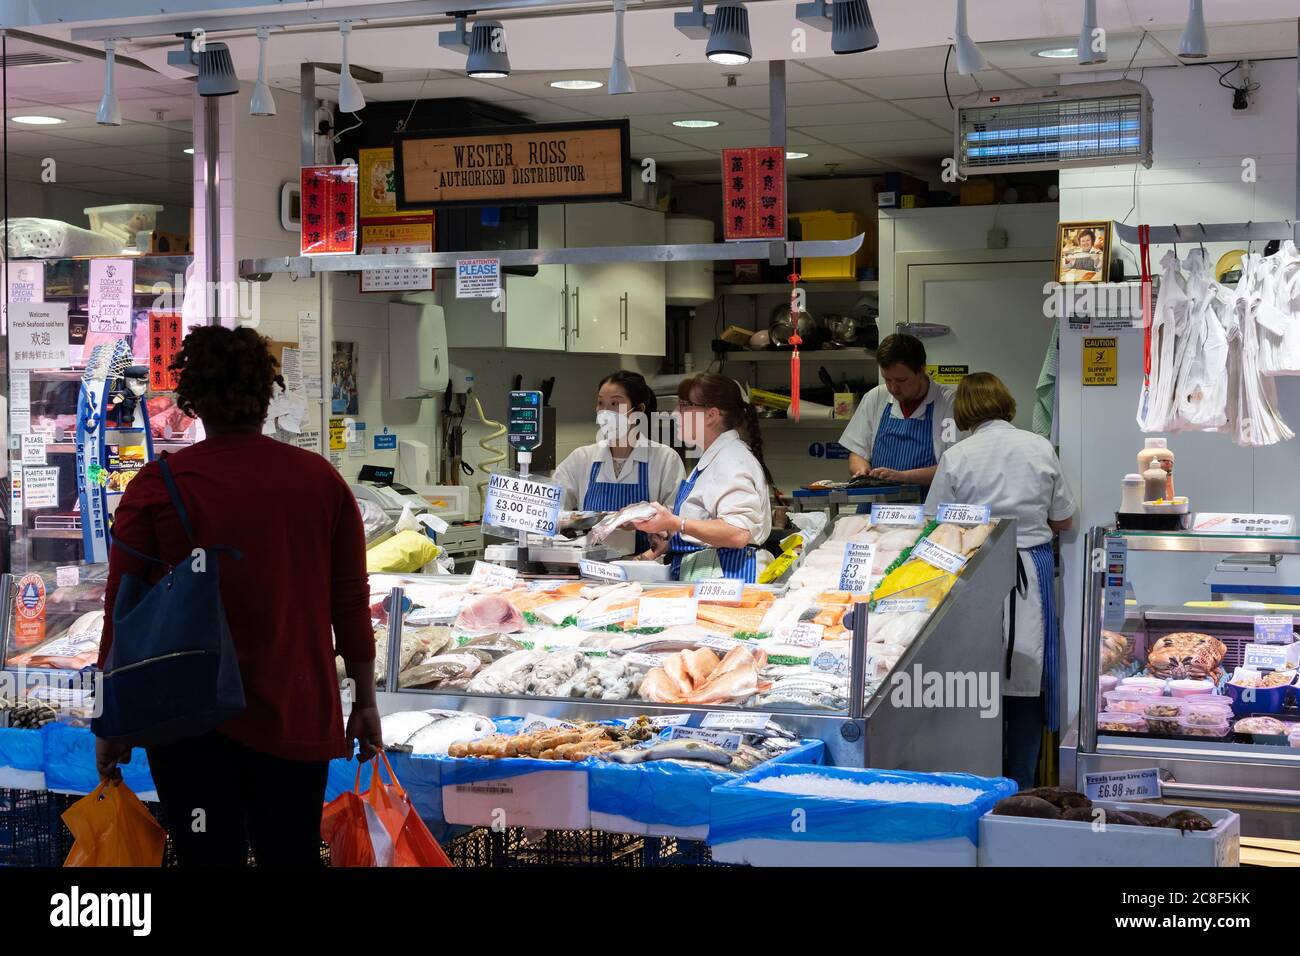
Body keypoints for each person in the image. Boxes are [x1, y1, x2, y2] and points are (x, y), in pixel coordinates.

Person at [94, 326, 382, 867]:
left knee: (208, 856)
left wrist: (110, 715)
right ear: (267, 394)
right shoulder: (319, 481)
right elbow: (351, 604)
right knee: (290, 853)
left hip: (189, 721)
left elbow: (121, 610)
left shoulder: (158, 485)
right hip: (296, 711)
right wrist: (365, 703)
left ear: (192, 399)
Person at [924, 372, 1076, 790]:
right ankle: (1024, 783)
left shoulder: (958, 455)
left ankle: (980, 779)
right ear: (1006, 402)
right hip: (1033, 566)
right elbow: (1063, 517)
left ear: (965, 411)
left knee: (976, 677)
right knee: (1030, 674)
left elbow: (935, 524)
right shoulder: (1039, 446)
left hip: (975, 571)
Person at [632, 373, 773, 581]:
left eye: (683, 406)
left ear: (711, 415)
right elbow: (709, 529)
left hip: (729, 581)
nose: (673, 414)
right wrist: (671, 540)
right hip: (714, 577)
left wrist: (675, 523)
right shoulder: (713, 458)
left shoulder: (731, 460)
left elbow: (737, 532)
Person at [553, 371, 685, 555]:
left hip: (646, 567)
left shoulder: (664, 459)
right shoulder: (581, 458)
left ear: (638, 410)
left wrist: (643, 526)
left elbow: (676, 524)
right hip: (590, 567)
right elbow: (552, 510)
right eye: (601, 403)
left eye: (615, 404)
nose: (605, 411)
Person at [839, 332, 960, 487]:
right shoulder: (875, 397)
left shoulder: (949, 404)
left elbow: (953, 468)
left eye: (901, 380)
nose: (893, 388)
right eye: (887, 379)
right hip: (876, 508)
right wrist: (862, 471)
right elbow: (857, 453)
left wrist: (903, 477)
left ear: (922, 369)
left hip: (926, 507)